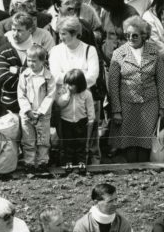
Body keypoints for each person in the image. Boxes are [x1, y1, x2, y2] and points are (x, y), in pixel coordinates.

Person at [108, 18, 164, 163]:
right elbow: (113, 85)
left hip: (150, 104)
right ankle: (133, 171)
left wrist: (163, 107)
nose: (130, 38)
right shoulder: (118, 53)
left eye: (134, 35)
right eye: (127, 35)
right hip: (127, 105)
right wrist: (116, 110)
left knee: (146, 142)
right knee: (129, 144)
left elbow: (161, 82)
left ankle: (146, 171)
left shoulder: (154, 52)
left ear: (144, 35)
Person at [48, 16, 101, 164]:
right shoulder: (56, 51)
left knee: (88, 134)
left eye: (64, 34)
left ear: (75, 33)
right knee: (65, 136)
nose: (60, 37)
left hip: (85, 98)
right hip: (63, 99)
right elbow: (55, 75)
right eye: (59, 33)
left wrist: (72, 82)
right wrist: (78, 77)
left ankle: (90, 163)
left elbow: (93, 76)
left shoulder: (89, 50)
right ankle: (66, 163)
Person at [17, 44, 55, 174]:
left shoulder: (49, 77)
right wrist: (27, 110)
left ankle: (42, 163)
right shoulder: (25, 75)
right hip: (27, 115)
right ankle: (29, 163)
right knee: (28, 140)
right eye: (29, 60)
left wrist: (40, 112)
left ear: (42, 61)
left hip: (42, 115)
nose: (31, 64)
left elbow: (50, 96)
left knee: (43, 140)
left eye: (34, 61)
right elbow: (21, 94)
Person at [0, 12, 38, 113]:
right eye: (13, 29)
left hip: (34, 108)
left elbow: (42, 81)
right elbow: (4, 80)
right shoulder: (3, 50)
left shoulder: (39, 51)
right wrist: (28, 72)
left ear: (30, 30)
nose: (15, 34)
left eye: (19, 30)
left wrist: (17, 70)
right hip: (9, 108)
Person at [55, 68, 94, 168]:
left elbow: (90, 108)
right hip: (66, 121)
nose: (68, 86)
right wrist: (67, 95)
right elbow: (60, 103)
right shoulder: (64, 92)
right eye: (67, 83)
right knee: (68, 143)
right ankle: (68, 162)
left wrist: (91, 119)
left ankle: (81, 162)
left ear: (79, 84)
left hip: (81, 121)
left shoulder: (86, 94)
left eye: (71, 84)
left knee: (81, 143)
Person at [93, 0, 139, 65]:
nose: (103, 8)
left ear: (110, 4)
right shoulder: (106, 13)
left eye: (103, 6)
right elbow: (103, 34)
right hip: (107, 62)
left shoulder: (131, 15)